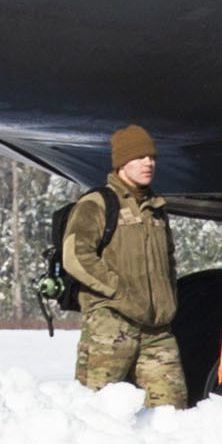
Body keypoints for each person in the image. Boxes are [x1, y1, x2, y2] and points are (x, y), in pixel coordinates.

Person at [61, 127, 188, 407]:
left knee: (173, 414)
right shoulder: (98, 203)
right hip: (111, 325)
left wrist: (168, 299)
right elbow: (76, 255)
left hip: (157, 330)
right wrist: (117, 291)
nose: (149, 163)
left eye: (152, 157)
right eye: (140, 157)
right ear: (122, 162)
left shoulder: (156, 208)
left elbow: (169, 260)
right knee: (97, 411)